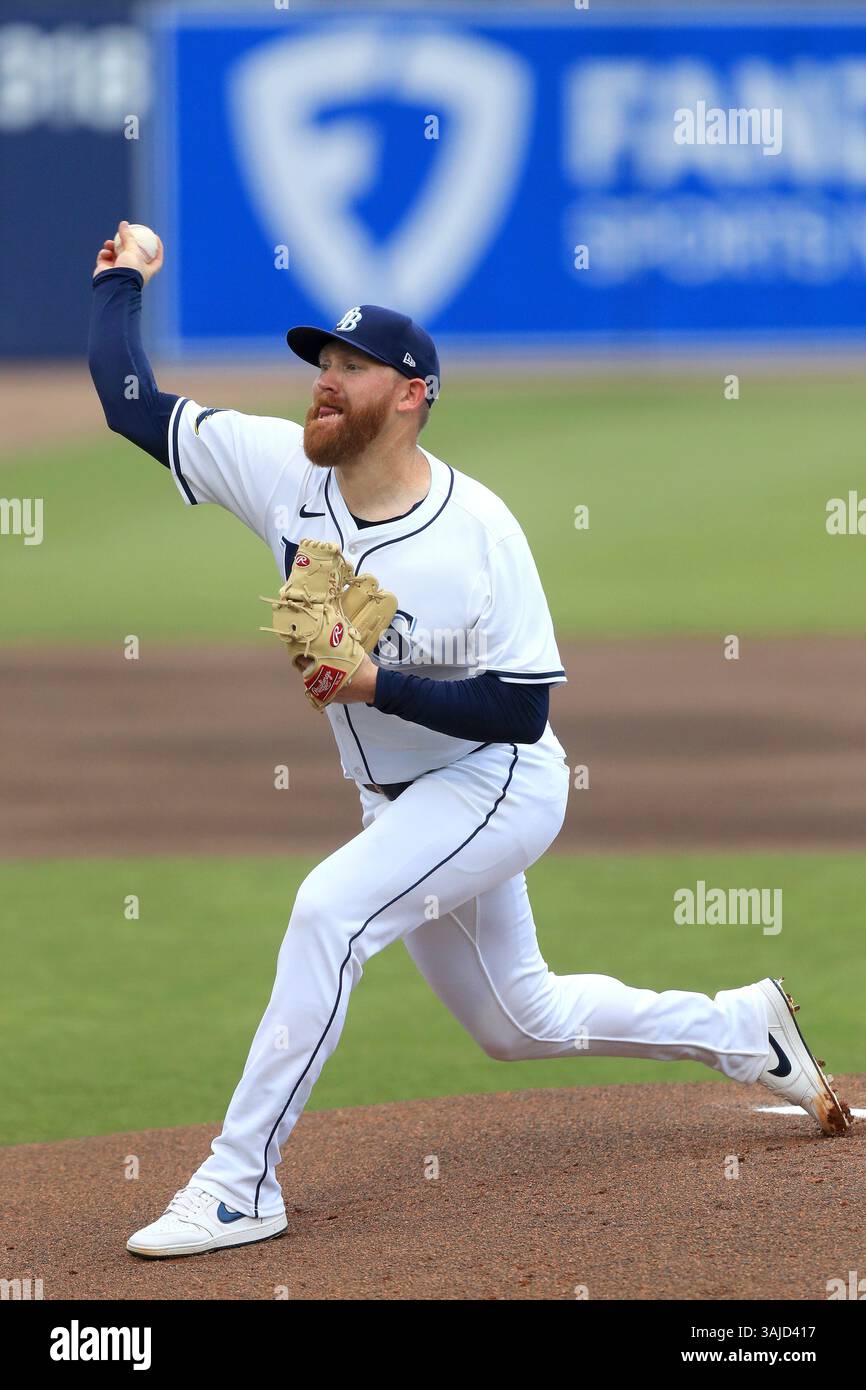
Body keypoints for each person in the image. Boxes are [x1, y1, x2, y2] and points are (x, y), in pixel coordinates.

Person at [88, 222, 849, 1260]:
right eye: (320, 362)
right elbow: (130, 403)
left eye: (350, 366)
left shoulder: (476, 531)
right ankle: (740, 1027)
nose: (323, 379)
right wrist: (123, 282)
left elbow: (523, 710)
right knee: (515, 1021)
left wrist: (373, 679)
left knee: (329, 912)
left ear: (410, 394)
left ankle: (238, 1183)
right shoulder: (279, 467)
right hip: (396, 800)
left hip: (494, 782)